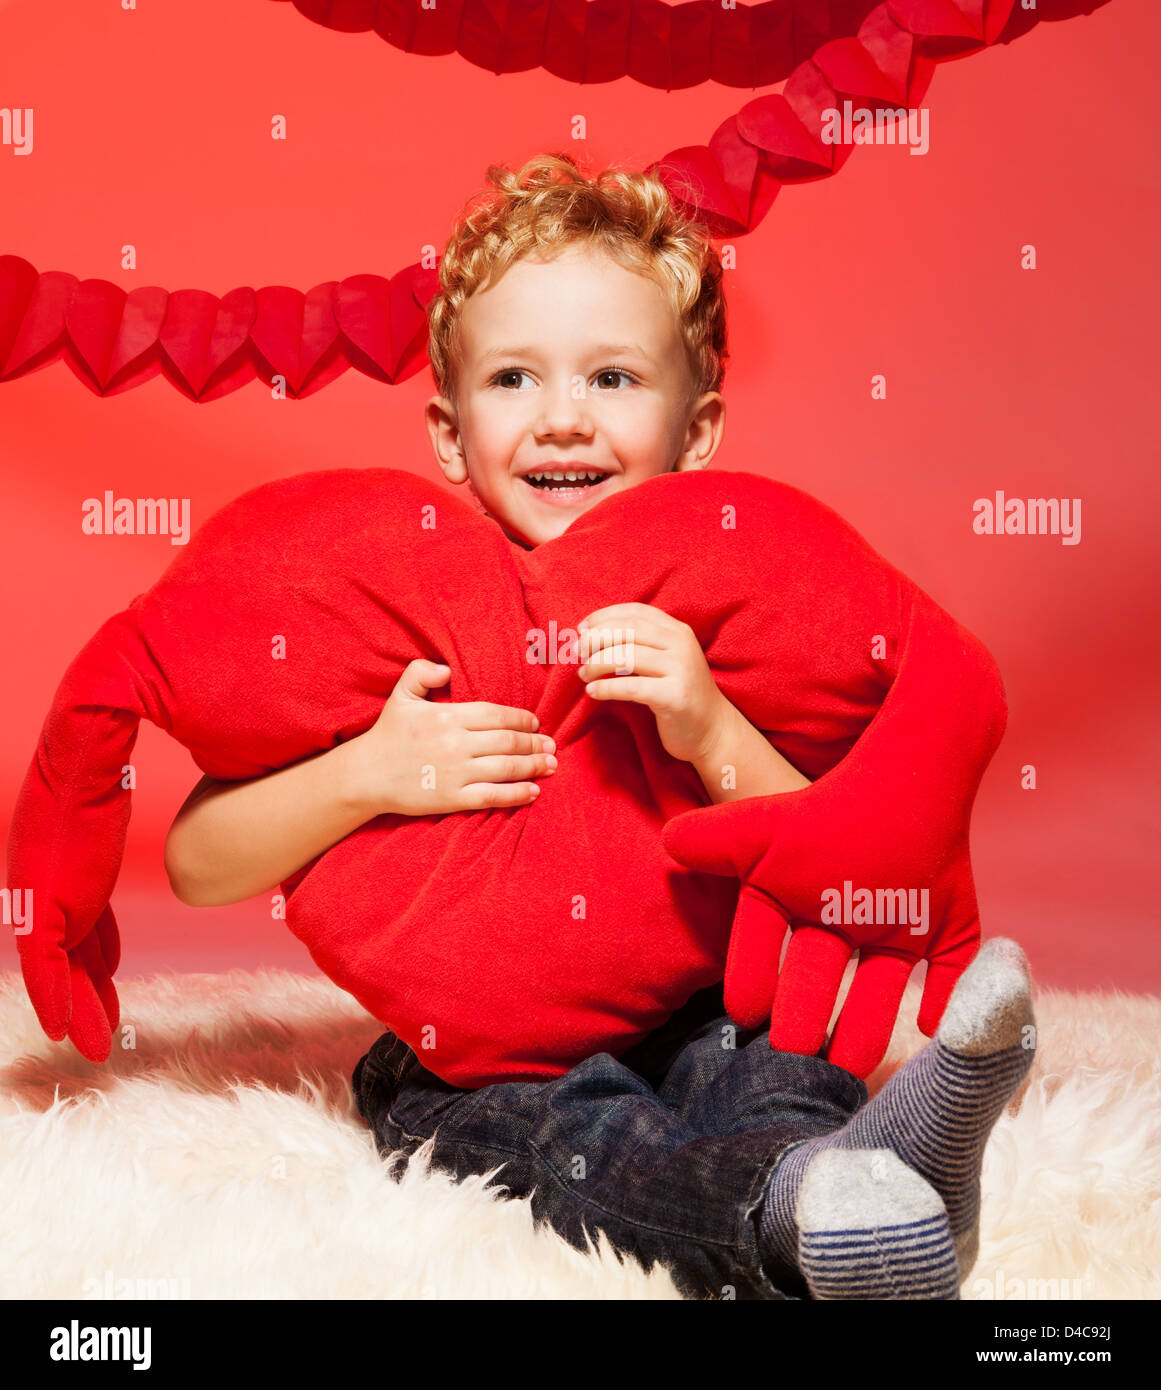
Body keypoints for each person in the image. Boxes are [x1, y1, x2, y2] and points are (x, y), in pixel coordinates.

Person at [164, 152, 1033, 1300]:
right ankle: (793, 1215)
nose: (562, 419)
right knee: (531, 1129)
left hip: (706, 1001)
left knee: (782, 1051)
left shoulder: (738, 603)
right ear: (446, 431)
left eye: (615, 379)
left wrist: (707, 719)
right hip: (487, 1048)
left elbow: (822, 847)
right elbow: (194, 861)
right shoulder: (389, 616)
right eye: (514, 379)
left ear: (700, 424)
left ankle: (900, 1155)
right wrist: (369, 772)